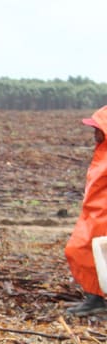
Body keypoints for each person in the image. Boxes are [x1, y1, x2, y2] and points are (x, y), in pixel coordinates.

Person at [64, 105, 107, 316]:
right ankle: (95, 298)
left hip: (102, 216)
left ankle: (95, 299)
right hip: (93, 214)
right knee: (81, 252)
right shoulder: (102, 151)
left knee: (81, 251)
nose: (94, 133)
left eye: (97, 129)